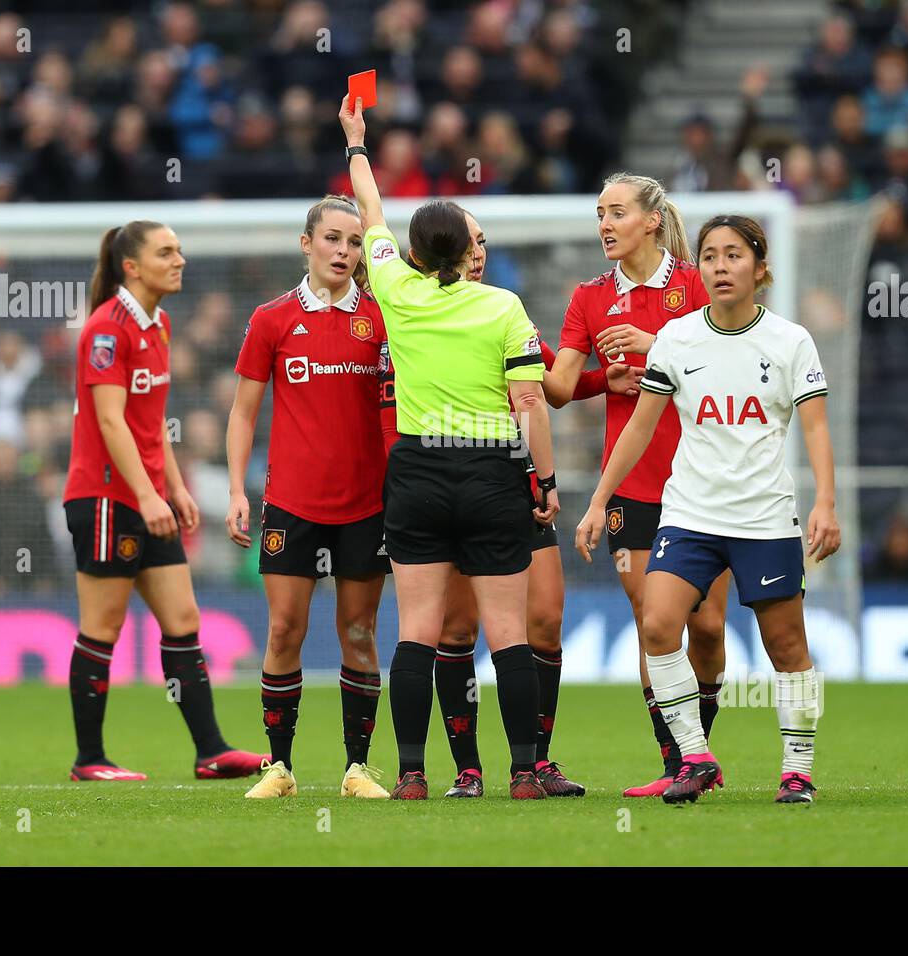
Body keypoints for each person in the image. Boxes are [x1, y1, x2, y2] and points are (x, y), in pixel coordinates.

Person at [576, 214, 840, 805]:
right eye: (711, 257)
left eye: (734, 256)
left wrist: (825, 500)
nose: (721, 267)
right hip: (690, 516)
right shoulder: (676, 339)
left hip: (764, 519)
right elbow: (640, 428)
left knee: (787, 647)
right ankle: (695, 756)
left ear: (760, 268)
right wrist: (598, 503)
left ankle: (797, 770)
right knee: (658, 625)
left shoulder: (790, 341)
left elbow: (817, 428)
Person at [340, 93, 559, 800]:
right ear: (468, 251)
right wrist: (545, 483)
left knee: (418, 632)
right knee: (507, 633)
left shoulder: (396, 289)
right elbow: (530, 402)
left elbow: (371, 213)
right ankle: (524, 771)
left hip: (419, 470)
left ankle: (410, 774)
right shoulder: (502, 307)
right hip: (493, 472)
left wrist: (356, 144)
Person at [379, 208, 636, 798]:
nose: (480, 251)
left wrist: (602, 380)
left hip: (483, 480)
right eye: (471, 242)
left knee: (542, 621)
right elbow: (531, 403)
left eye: (485, 241)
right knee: (462, 628)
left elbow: (550, 387)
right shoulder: (404, 306)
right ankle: (470, 768)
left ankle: (532, 763)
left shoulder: (494, 307)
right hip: (484, 477)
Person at [545, 172, 731, 798]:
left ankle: (698, 748)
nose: (604, 224)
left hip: (707, 480)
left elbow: (733, 365)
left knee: (705, 627)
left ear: (651, 220)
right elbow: (561, 389)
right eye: (599, 213)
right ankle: (682, 760)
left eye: (617, 212)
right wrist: (604, 376)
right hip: (632, 488)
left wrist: (660, 348)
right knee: (655, 622)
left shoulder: (697, 284)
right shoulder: (590, 297)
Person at [62, 219, 268, 781]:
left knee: (183, 618)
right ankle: (90, 759)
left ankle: (211, 751)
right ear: (132, 266)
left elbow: (150, 424)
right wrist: (150, 493)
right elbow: (110, 420)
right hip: (106, 497)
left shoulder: (160, 325)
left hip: (149, 495)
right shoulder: (107, 329)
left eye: (179, 250)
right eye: (166, 252)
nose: (180, 260)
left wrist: (173, 488)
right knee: (102, 626)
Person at [226, 195, 392, 800]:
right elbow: (243, 413)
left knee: (359, 632)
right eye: (332, 239)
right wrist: (235, 490)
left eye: (354, 242)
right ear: (307, 243)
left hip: (367, 504)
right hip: (291, 504)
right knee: (283, 631)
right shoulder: (271, 319)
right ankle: (279, 767)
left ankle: (357, 768)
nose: (344, 252)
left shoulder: (381, 319)